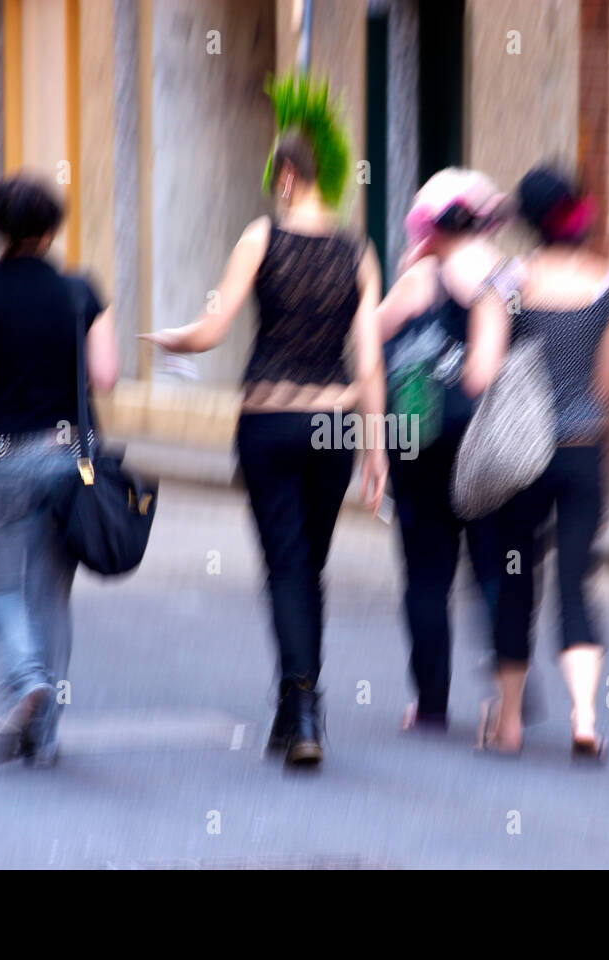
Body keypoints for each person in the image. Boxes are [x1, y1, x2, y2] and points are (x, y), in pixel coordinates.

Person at [142, 75, 385, 767]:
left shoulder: (261, 238)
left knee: (284, 565)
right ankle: (294, 708)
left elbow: (213, 328)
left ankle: (304, 709)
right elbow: (369, 361)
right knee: (309, 569)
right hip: (335, 427)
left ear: (285, 176)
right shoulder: (359, 253)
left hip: (271, 425)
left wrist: (166, 340)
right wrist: (378, 450)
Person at [0, 176, 118, 767]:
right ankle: (45, 736)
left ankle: (25, 681)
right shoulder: (80, 290)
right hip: (71, 459)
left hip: (3, 458)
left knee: (0, 589)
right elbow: (108, 374)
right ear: (50, 229)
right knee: (52, 598)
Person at [479, 166, 609, 759]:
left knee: (516, 581)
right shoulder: (608, 284)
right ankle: (585, 719)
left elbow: (487, 374)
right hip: (584, 453)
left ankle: (511, 724)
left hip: (521, 459)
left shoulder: (508, 284)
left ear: (528, 223)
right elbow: (608, 384)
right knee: (575, 582)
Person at [375, 169, 510, 732]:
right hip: (477, 446)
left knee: (426, 576)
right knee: (495, 568)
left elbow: (365, 344)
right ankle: (510, 690)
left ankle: (430, 704)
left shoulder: (415, 280)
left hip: (416, 438)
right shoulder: (498, 280)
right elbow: (483, 372)